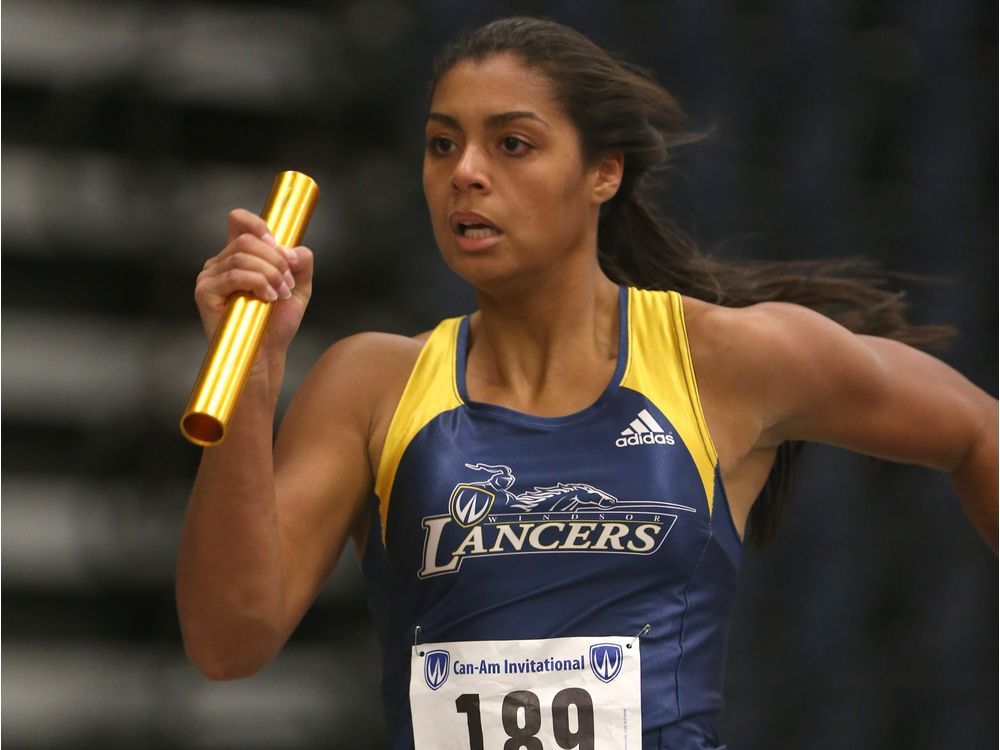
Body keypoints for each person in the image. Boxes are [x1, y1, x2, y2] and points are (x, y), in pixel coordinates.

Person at [175, 16, 997, 750]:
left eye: (512, 144)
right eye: (441, 143)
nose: (465, 172)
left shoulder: (723, 360)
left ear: (603, 173)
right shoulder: (373, 383)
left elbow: (977, 430)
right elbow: (228, 643)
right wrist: (252, 380)